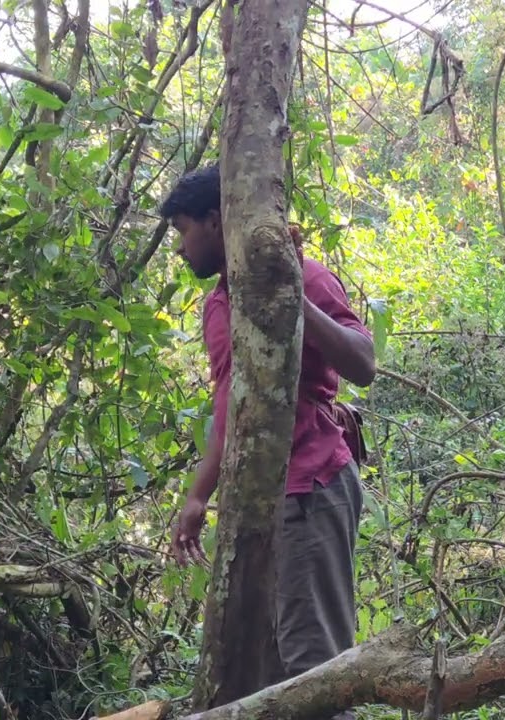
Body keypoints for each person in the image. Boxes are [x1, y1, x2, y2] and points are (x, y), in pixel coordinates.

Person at [159, 163, 376, 703]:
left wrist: (292, 298)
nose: (181, 249)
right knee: (267, 672)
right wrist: (198, 495)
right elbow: (227, 406)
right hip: (255, 508)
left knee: (316, 674)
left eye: (183, 232)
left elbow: (363, 363)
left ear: (215, 221)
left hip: (313, 491)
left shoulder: (309, 274)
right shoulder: (215, 306)